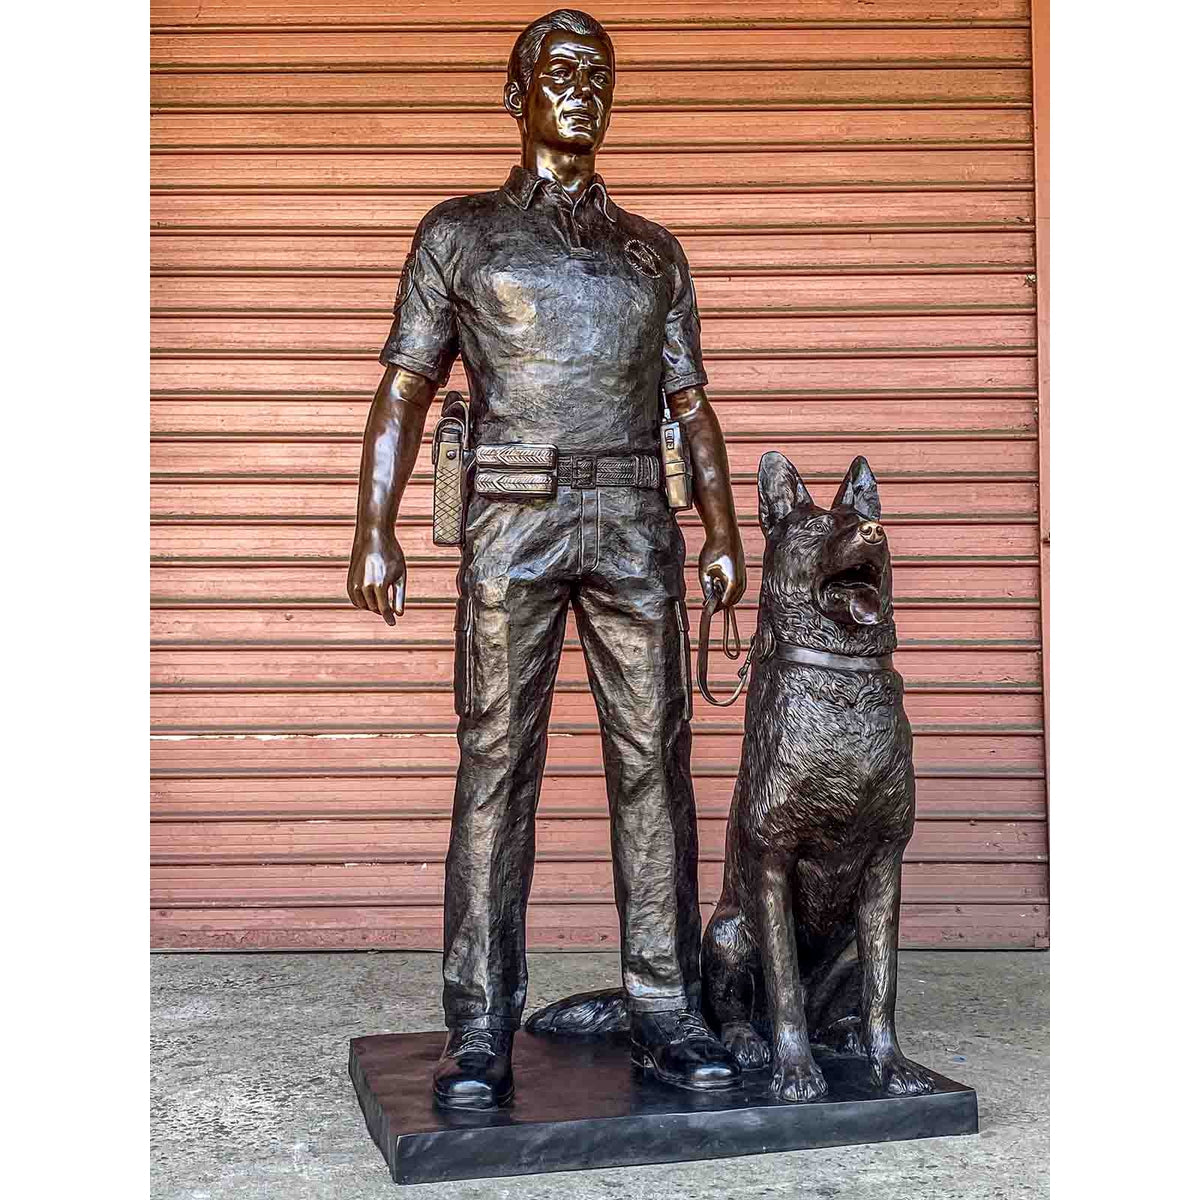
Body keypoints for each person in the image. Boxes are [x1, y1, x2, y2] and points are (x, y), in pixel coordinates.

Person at [347, 8, 747, 1110]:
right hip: (511, 515)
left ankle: (665, 1005)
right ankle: (478, 1025)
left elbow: (691, 406)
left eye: (598, 74)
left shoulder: (652, 251)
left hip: (633, 518)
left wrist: (721, 529)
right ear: (516, 92)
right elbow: (405, 389)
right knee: (495, 764)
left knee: (654, 762)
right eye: (561, 71)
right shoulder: (459, 233)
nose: (583, 88)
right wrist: (373, 525)